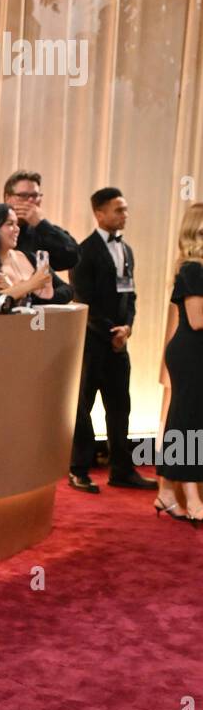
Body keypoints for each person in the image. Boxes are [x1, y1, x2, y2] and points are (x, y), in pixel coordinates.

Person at [68, 187, 156, 492]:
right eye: (119, 210)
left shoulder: (127, 250)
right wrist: (112, 333)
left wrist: (127, 328)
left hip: (120, 343)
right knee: (83, 406)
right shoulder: (84, 251)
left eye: (125, 209)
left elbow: (130, 296)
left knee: (121, 407)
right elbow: (84, 300)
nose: (125, 215)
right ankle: (78, 468)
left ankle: (122, 469)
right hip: (93, 344)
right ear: (99, 213)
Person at [153, 203, 203, 521]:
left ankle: (166, 491)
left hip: (192, 350)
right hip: (192, 351)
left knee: (185, 420)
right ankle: (190, 493)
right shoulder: (194, 269)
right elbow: (198, 320)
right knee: (188, 422)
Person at [0, 203, 72, 304]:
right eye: (10, 224)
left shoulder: (29, 257)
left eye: (16, 224)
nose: (17, 229)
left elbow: (67, 290)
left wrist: (26, 293)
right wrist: (27, 289)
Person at [2, 170, 79, 273]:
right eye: (23, 195)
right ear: (8, 198)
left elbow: (73, 258)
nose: (30, 201)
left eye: (35, 196)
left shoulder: (43, 231)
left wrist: (42, 224)